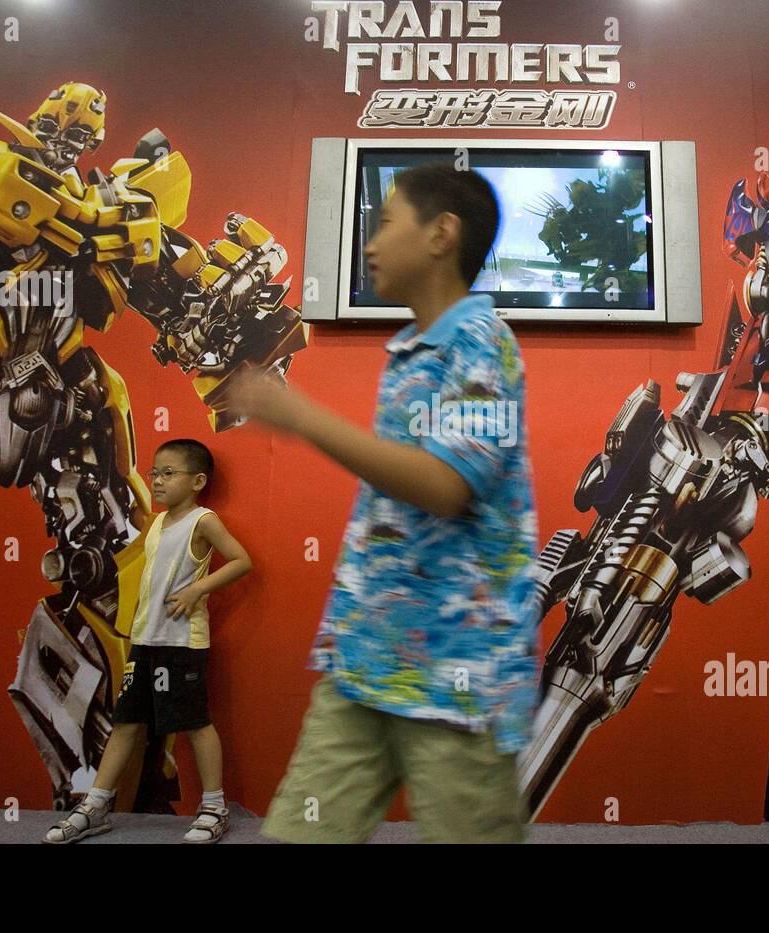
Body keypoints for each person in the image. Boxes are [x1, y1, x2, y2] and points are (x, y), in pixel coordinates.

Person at [227, 163, 538, 843]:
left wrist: (302, 417)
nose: (369, 241)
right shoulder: (408, 352)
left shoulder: (483, 343)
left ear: (441, 234)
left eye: (388, 220)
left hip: (459, 674)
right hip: (365, 662)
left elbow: (446, 485)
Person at [43, 438, 252, 843]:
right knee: (125, 724)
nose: (157, 481)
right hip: (145, 641)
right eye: (154, 472)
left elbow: (242, 560)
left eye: (168, 474)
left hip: (182, 644)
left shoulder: (203, 521)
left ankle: (214, 806)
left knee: (195, 724)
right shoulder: (155, 523)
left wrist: (197, 591)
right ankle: (97, 804)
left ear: (198, 481)